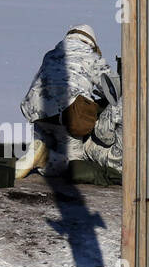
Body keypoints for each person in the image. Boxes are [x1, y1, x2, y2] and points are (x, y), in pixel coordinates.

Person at [20, 25, 119, 177]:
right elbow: (113, 89)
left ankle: (38, 153)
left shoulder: (51, 55)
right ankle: (47, 158)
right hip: (67, 112)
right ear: (92, 42)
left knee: (44, 145)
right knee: (73, 165)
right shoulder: (92, 58)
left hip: (37, 112)